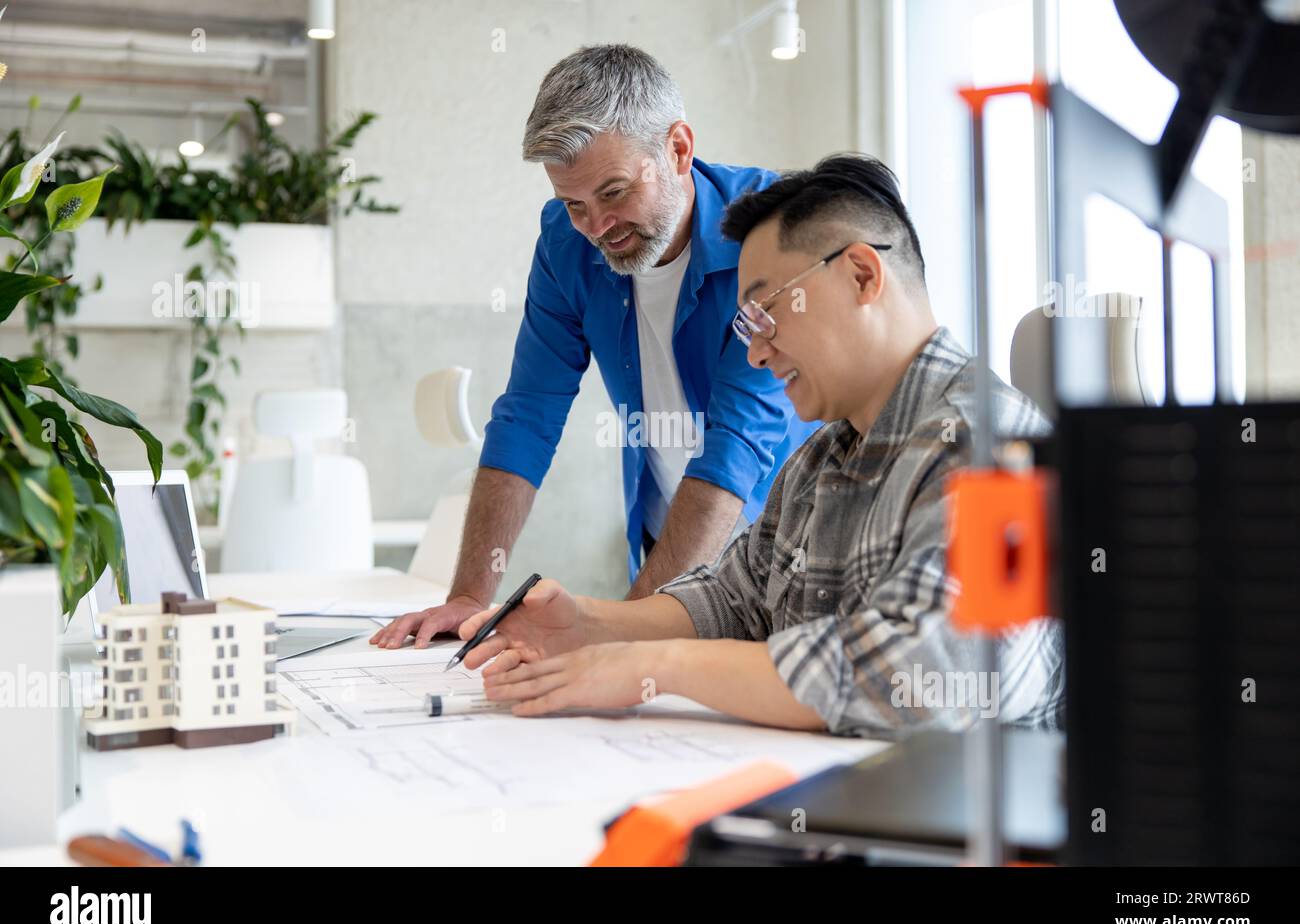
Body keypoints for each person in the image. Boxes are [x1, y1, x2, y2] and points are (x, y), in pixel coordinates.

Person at [449, 154, 1064, 736]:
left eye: (766, 310)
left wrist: (654, 666)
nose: (756, 351)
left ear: (861, 275)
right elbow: (733, 599)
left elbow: (933, 674)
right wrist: (589, 625)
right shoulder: (822, 458)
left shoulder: (1000, 449)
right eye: (747, 324)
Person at [373, 44, 816, 650]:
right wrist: (469, 598)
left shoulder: (770, 233)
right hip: (670, 555)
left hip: (789, 560)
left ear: (678, 149)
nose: (596, 227)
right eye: (572, 203)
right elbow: (528, 413)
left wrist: (610, 636)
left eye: (613, 193)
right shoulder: (567, 244)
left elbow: (733, 448)